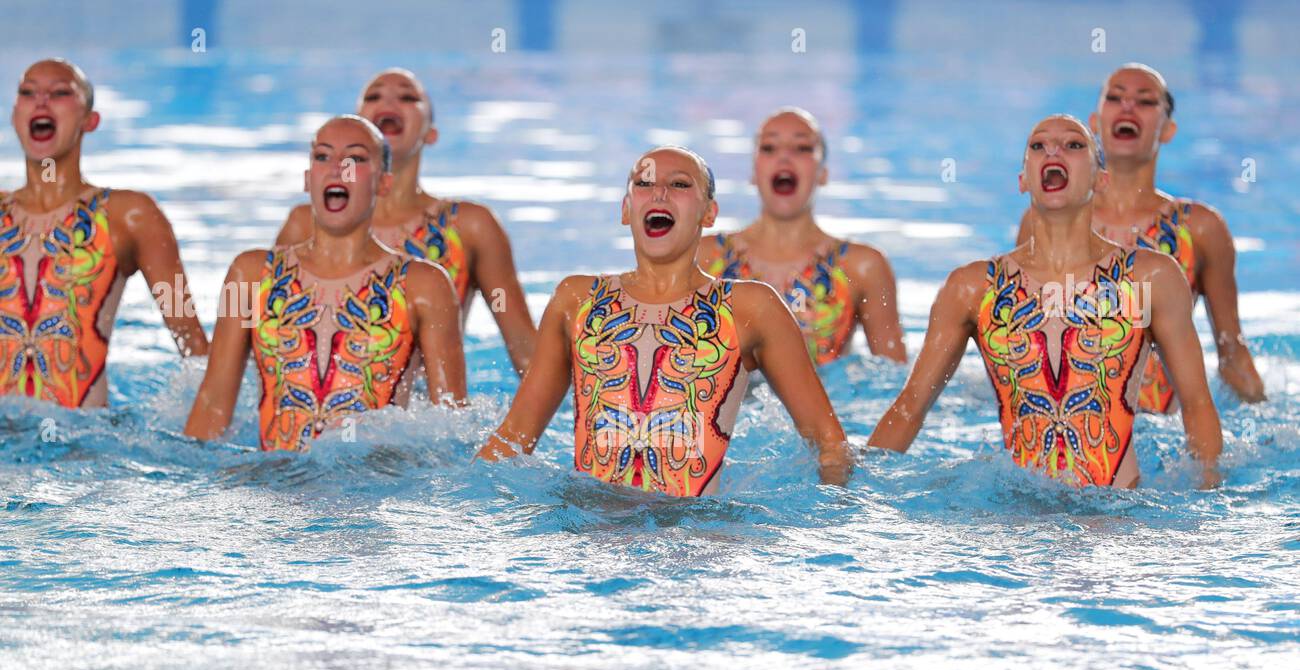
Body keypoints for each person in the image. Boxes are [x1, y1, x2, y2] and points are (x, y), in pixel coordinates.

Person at [477, 146, 852, 496]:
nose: (659, 194)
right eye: (644, 184)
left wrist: (833, 524)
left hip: (694, 538)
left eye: (679, 184)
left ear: (709, 213)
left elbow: (828, 443)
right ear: (626, 210)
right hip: (591, 531)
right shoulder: (576, 300)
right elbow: (512, 438)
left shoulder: (750, 307)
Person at [871, 115, 1222, 488]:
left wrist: (1209, 498)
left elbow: (1197, 403)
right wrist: (860, 496)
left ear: (1101, 179)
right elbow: (911, 405)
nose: (1053, 150)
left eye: (1074, 145)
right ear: (1023, 179)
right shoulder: (973, 288)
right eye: (1038, 146)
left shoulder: (1146, 278)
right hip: (1014, 523)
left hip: (1119, 523)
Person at [185, 115, 465, 451]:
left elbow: (451, 427)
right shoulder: (248, 274)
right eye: (323, 156)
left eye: (356, 159)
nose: (337, 169)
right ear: (308, 179)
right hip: (270, 489)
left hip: (374, 493)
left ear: (384, 183)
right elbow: (213, 404)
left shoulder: (425, 284)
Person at [1017, 64, 1265, 411]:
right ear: (1095, 121)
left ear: (1167, 129)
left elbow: (1231, 352)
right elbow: (1026, 341)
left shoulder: (1199, 228)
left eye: (1145, 101)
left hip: (1160, 429)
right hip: (1072, 430)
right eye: (1115, 97)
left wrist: (1265, 423)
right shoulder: (1043, 219)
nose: (1128, 107)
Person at [275, 69, 535, 376]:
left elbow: (526, 352)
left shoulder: (470, 226)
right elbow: (259, 340)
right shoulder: (304, 223)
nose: (388, 101)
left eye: (408, 97)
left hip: (423, 410)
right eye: (373, 97)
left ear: (431, 133)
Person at [0, 58, 208, 407]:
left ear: (90, 120)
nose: (41, 101)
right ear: (15, 117)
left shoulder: (130, 216)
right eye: (28, 92)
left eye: (60, 93)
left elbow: (194, 350)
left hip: (81, 448)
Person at [699, 107, 905, 366]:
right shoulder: (702, 258)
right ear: (753, 171)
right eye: (770, 148)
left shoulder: (863, 266)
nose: (784, 157)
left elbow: (895, 379)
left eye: (802, 148)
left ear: (823, 174)